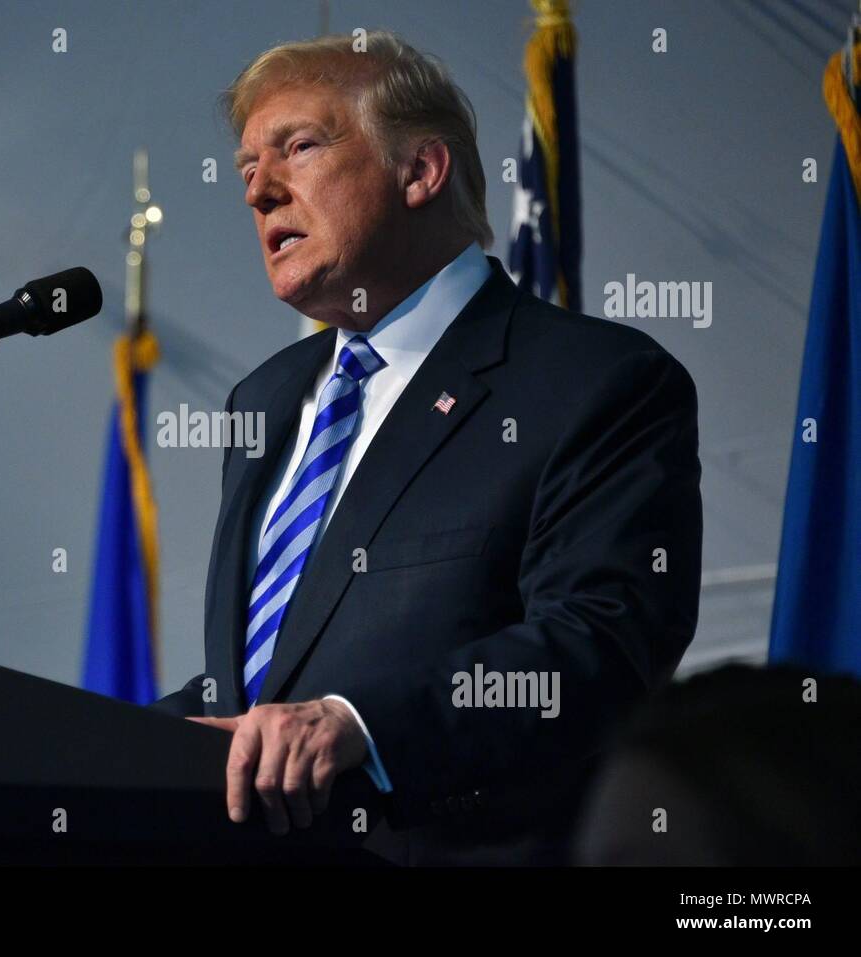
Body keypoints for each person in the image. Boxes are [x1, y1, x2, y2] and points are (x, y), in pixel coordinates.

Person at [150, 31, 702, 865]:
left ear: (420, 171)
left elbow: (599, 643)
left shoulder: (598, 381)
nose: (259, 190)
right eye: (246, 168)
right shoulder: (261, 399)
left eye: (298, 147)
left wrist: (361, 727)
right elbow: (272, 682)